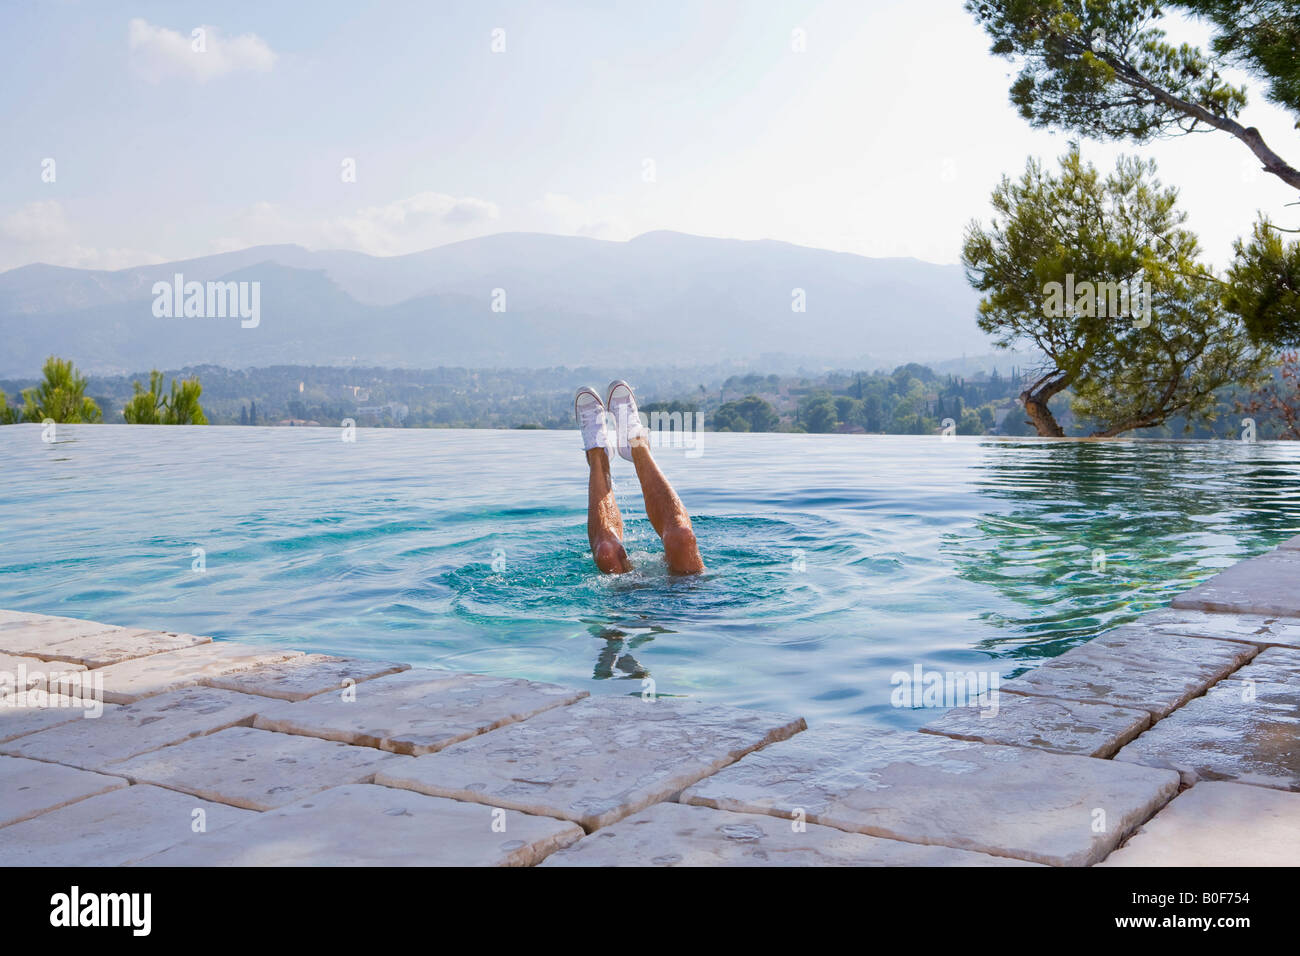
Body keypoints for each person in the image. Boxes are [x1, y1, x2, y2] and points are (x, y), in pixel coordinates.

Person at [575, 380, 705, 575]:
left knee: (606, 552)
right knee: (682, 538)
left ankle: (596, 453)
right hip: (693, 596)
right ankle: (637, 444)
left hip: (627, 601)